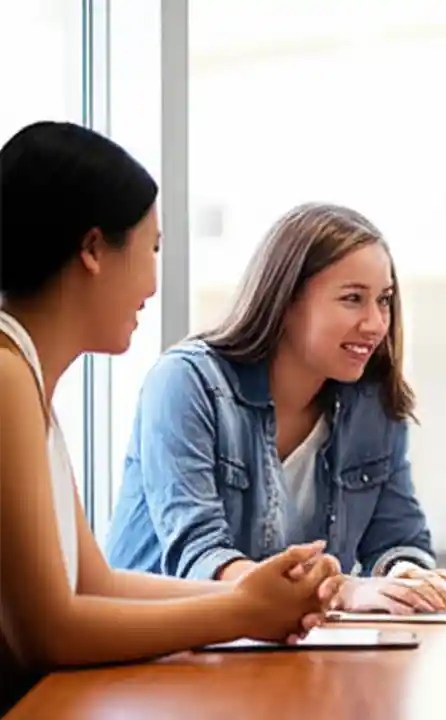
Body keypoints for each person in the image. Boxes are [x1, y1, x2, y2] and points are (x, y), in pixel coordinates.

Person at [0, 121, 340, 712]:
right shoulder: (4, 377)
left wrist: (254, 599)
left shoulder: (26, 381)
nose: (153, 284)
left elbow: (93, 584)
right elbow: (49, 631)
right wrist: (241, 610)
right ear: (93, 250)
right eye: (152, 247)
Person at [105, 202, 446, 615]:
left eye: (384, 300)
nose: (376, 324)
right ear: (285, 302)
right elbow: (201, 561)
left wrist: (404, 576)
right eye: (353, 299)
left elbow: (396, 540)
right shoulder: (186, 384)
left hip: (275, 653)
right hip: (156, 654)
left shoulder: (373, 406)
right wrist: (340, 589)